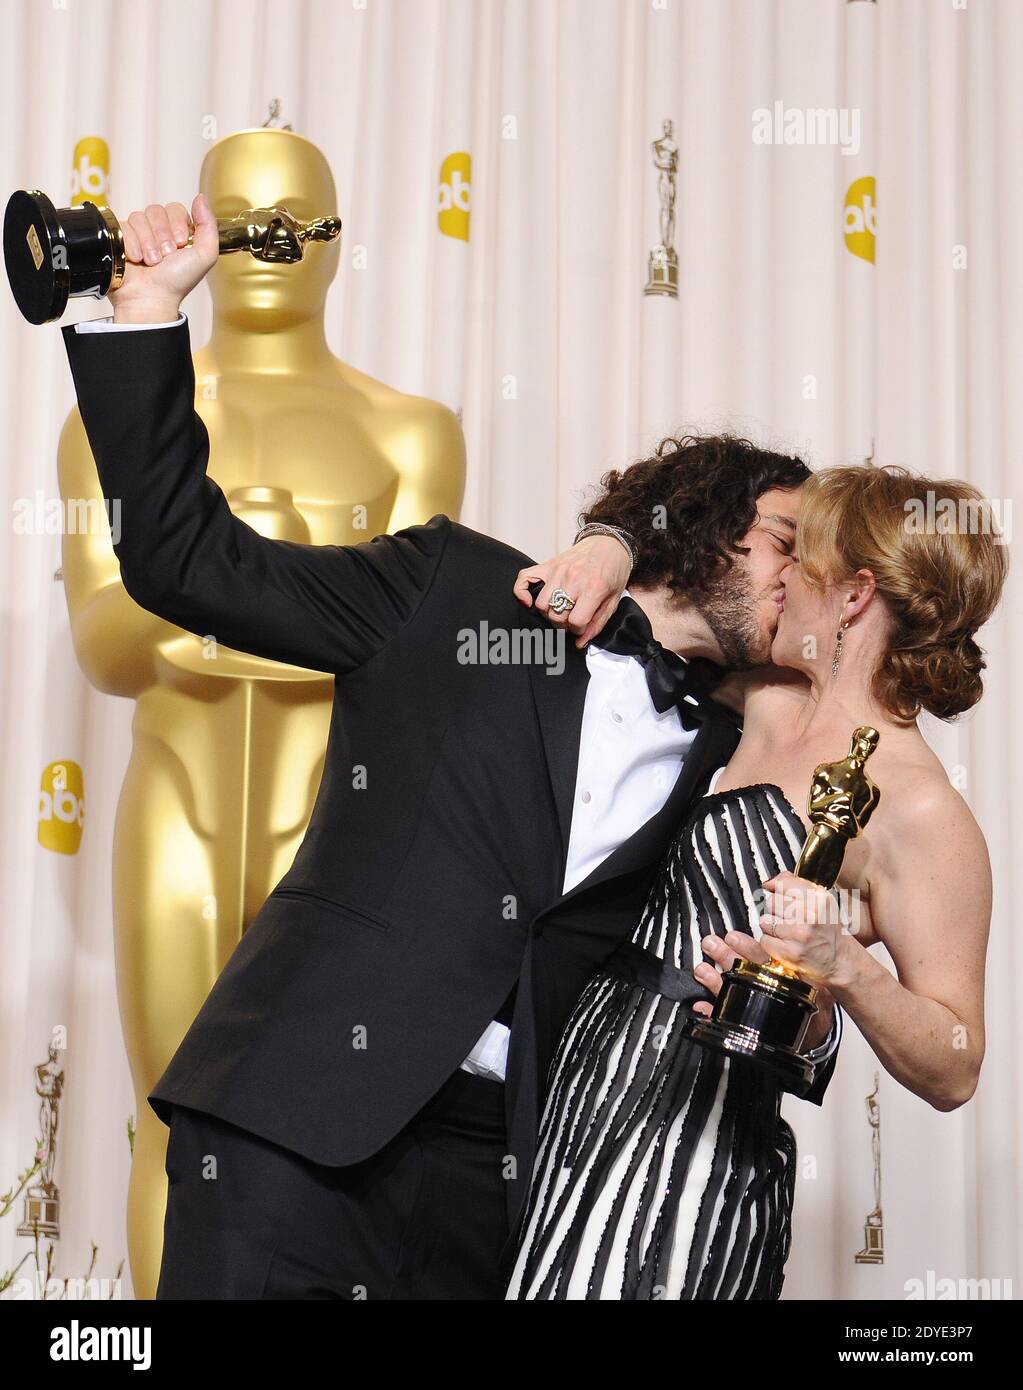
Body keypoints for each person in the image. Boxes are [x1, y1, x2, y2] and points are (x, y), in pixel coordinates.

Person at [59, 193, 839, 1300]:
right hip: (292, 1132)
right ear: (707, 526)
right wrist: (144, 311)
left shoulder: (741, 753)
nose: (794, 578)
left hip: (506, 1192)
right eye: (782, 542)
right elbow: (189, 561)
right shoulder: (456, 586)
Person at [505, 463, 1007, 1299]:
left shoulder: (922, 810)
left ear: (852, 594)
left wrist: (843, 966)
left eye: (796, 558)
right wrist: (606, 546)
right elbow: (646, 627)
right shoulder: (760, 698)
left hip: (694, 1150)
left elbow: (956, 1064)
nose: (772, 581)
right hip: (579, 1089)